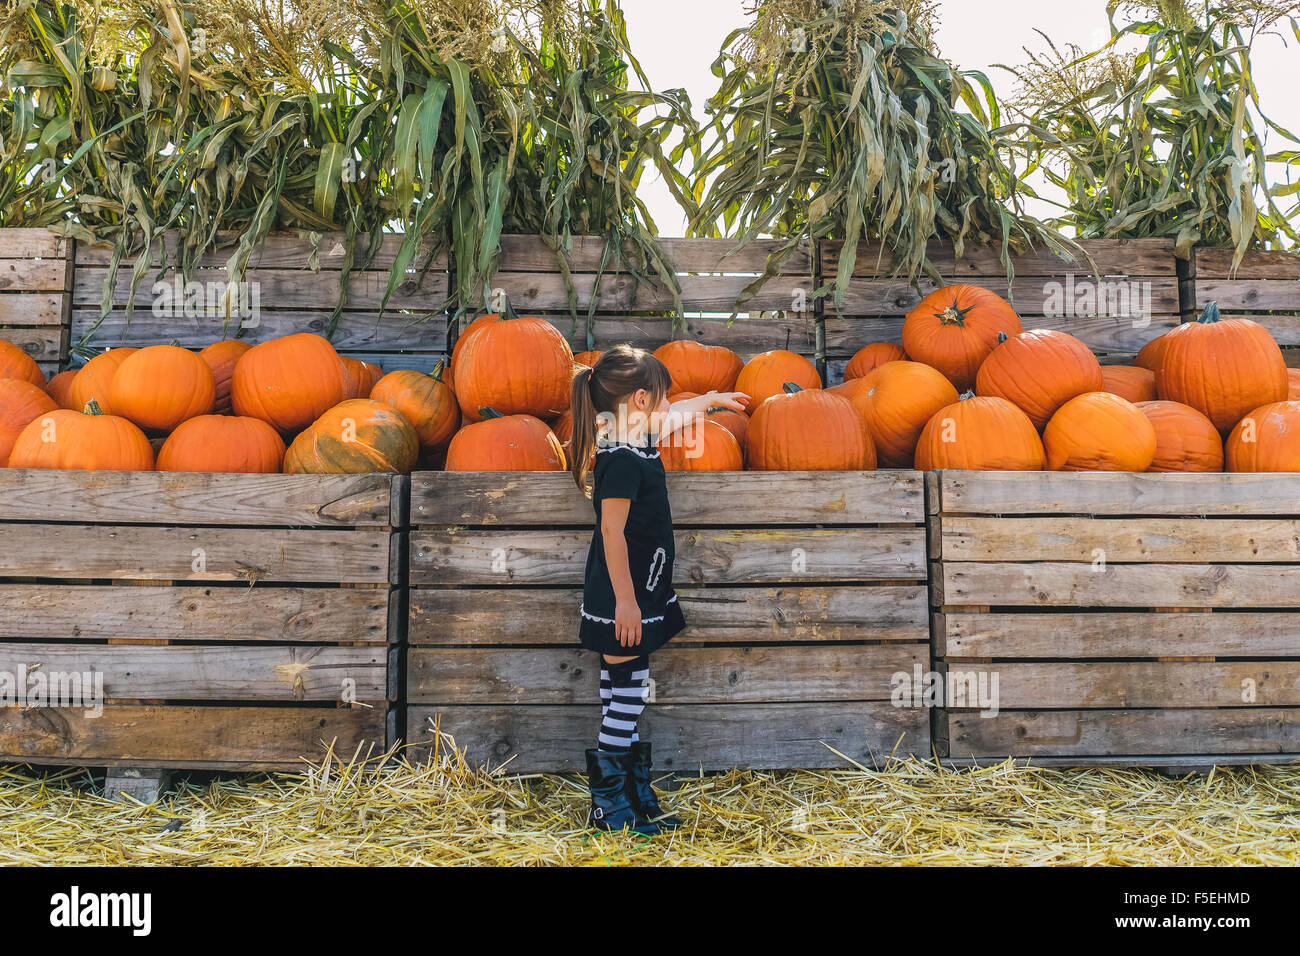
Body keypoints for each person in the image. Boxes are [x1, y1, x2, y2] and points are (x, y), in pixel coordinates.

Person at [569, 344, 749, 834]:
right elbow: (611, 532)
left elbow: (675, 419)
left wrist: (711, 398)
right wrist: (626, 602)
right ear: (643, 399)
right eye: (666, 399)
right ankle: (608, 805)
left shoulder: (636, 439)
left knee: (621, 691)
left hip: (638, 589)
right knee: (627, 696)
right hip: (621, 596)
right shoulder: (621, 461)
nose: (672, 407)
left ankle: (631, 792)